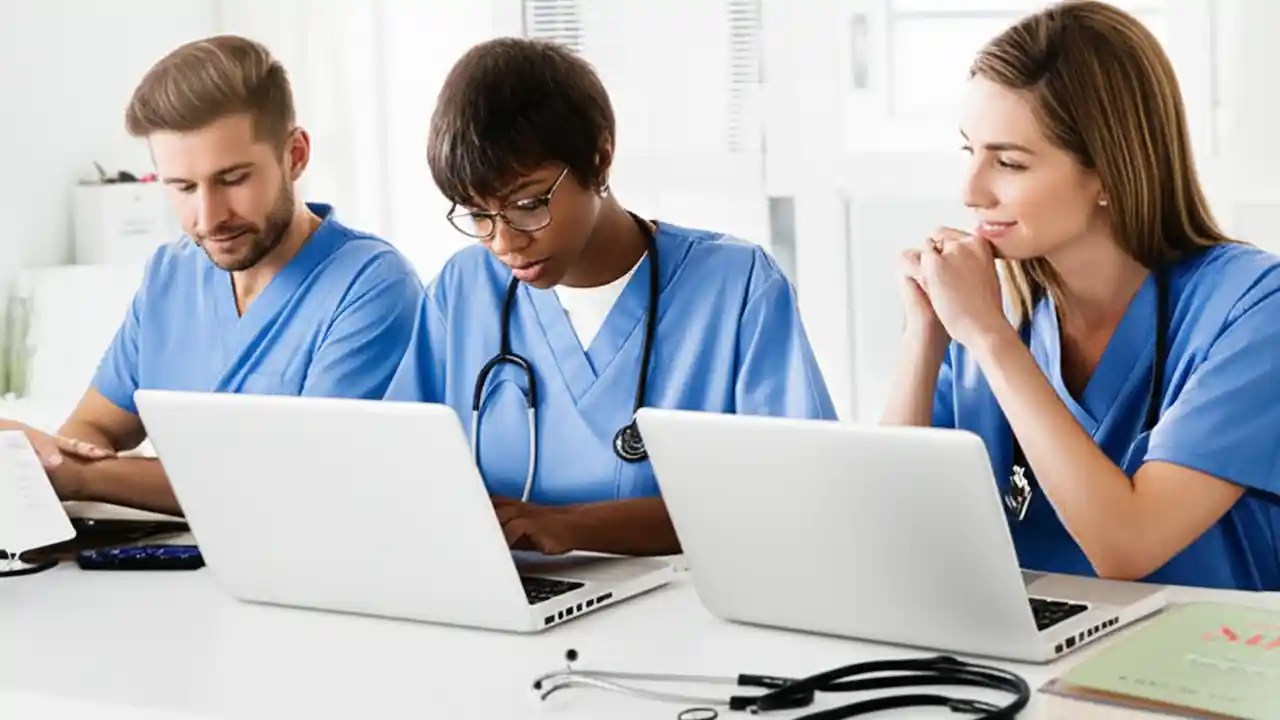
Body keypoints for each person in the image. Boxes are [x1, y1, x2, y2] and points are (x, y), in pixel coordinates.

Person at [883, 1, 1280, 591]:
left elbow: (1127, 545)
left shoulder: (1253, 308)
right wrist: (924, 336)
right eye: (970, 151)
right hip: (1022, 644)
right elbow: (888, 538)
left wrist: (989, 337)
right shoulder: (987, 311)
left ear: (1108, 173)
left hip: (1200, 645)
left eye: (1009, 162)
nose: (971, 191)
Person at [386, 38, 836, 557]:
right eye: (477, 214)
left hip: (688, 603)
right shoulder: (464, 289)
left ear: (599, 159)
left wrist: (576, 526)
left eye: (528, 205)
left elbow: (799, 496)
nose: (504, 242)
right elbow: (396, 473)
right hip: (506, 600)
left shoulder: (737, 287)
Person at [0, 35, 421, 516]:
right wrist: (44, 458)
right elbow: (93, 428)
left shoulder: (371, 285)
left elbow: (300, 484)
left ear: (295, 155)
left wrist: (77, 475)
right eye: (182, 187)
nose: (209, 217)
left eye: (233, 179)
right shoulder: (170, 275)